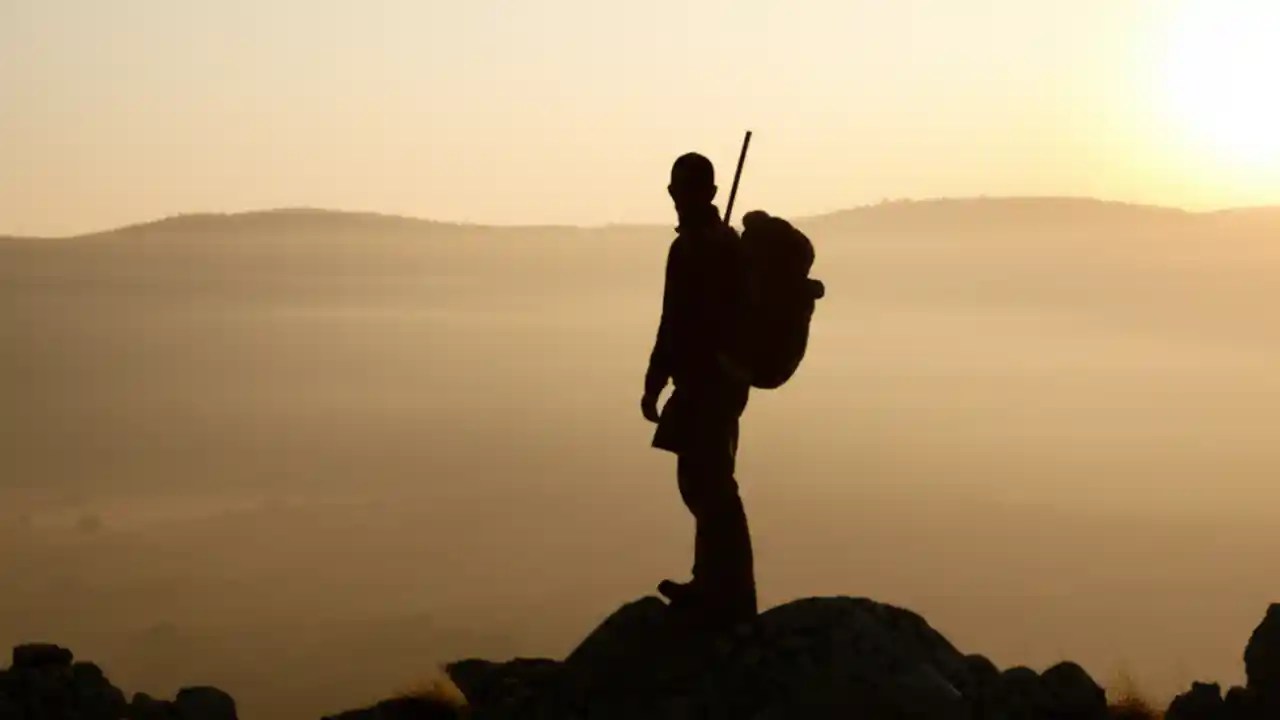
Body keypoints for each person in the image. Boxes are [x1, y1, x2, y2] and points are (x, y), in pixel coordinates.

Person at [642, 152, 757, 630]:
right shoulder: (722, 244)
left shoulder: (696, 247)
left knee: (707, 485)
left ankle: (723, 594)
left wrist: (655, 380)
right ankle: (717, 585)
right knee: (708, 483)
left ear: (703, 193)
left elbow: (675, 319)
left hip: (707, 382)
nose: (677, 198)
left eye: (682, 189)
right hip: (720, 382)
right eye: (675, 189)